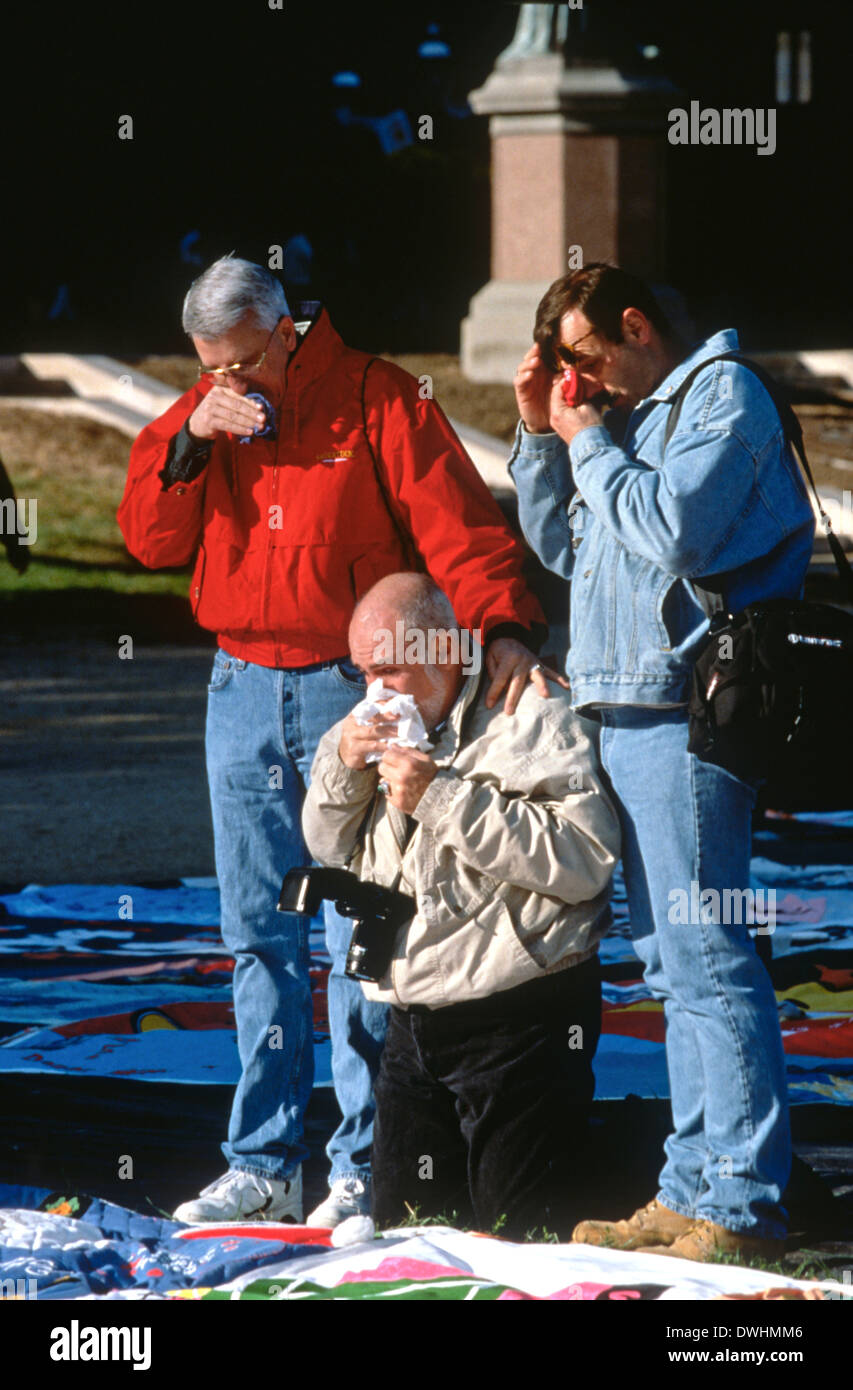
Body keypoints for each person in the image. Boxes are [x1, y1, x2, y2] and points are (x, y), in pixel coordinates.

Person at [117, 255, 550, 1227]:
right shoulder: (210, 406)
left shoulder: (380, 399)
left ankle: (364, 1164)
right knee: (255, 937)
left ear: (283, 332)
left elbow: (462, 533)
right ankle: (264, 1161)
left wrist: (508, 629)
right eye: (206, 369)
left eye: (235, 365)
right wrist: (187, 436)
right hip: (236, 686)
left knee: (359, 931)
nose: (222, 385)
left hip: (349, 693)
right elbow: (146, 537)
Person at [509, 262, 815, 1260]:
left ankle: (739, 1202)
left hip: (685, 711)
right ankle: (690, 1185)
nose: (583, 385)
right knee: (670, 964)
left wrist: (589, 439)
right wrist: (536, 439)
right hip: (624, 705)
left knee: (710, 957)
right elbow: (568, 546)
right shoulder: (631, 414)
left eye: (589, 358)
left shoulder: (722, 395)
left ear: (634, 325)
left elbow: (675, 532)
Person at [301, 573, 621, 1237]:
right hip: (413, 1025)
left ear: (445, 649)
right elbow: (328, 845)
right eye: (360, 672)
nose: (375, 692)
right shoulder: (372, 722)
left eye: (389, 668)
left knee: (520, 1239)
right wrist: (339, 760)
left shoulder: (531, 713)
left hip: (520, 1018)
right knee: (407, 1238)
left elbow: (586, 859)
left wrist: (440, 797)